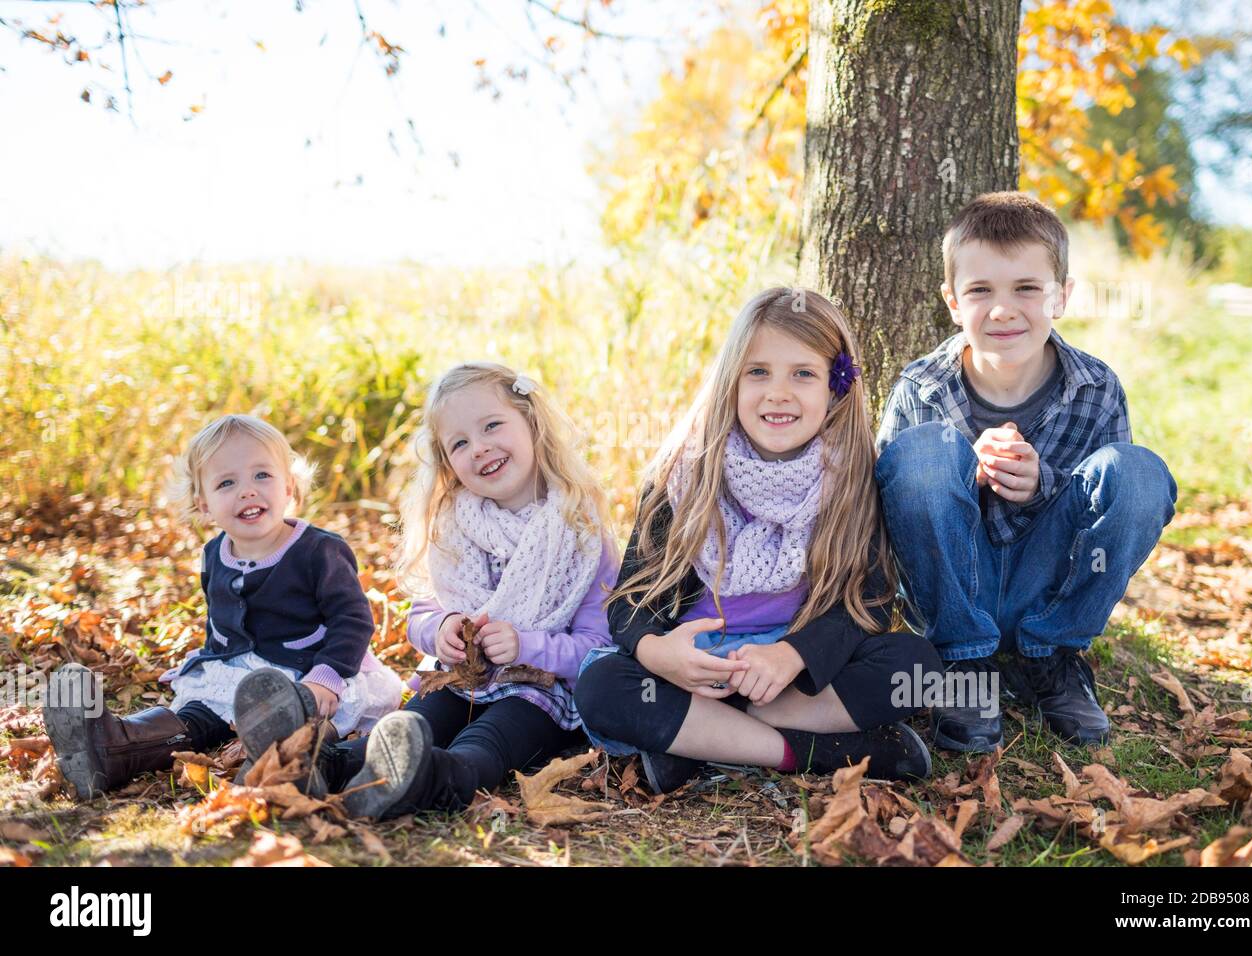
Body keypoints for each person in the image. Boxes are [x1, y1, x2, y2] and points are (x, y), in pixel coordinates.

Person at [575, 287, 943, 795]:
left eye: (803, 374)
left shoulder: (852, 480)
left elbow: (872, 601)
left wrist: (792, 655)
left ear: (836, 388)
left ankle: (703, 744)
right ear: (731, 381)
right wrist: (659, 653)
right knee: (602, 687)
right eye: (759, 372)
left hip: (790, 673)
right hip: (693, 667)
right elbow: (629, 601)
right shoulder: (683, 476)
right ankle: (815, 752)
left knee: (916, 668)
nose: (778, 393)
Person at [238, 363, 618, 820]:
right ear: (445, 461)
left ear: (533, 423)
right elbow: (420, 613)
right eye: (459, 443)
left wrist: (526, 645)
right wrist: (440, 629)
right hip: (459, 678)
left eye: (492, 425)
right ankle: (312, 764)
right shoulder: (454, 526)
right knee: (414, 724)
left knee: (489, 739)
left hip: (538, 692)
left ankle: (432, 778)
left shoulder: (580, 533)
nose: (479, 448)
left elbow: (598, 649)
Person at [875, 191, 1177, 752]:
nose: (1002, 309)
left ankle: (1052, 656)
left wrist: (1045, 486)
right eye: (980, 290)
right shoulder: (922, 388)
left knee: (1137, 473)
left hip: (1049, 581)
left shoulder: (1096, 387)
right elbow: (886, 512)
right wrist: (963, 472)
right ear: (952, 301)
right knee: (922, 453)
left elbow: (1108, 509)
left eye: (1027, 289)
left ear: (1061, 296)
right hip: (954, 587)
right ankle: (964, 664)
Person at [44, 414, 403, 799]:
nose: (247, 491)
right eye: (227, 482)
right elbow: (222, 621)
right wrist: (206, 662)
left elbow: (352, 620)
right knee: (199, 715)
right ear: (204, 504)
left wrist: (326, 675)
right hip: (238, 669)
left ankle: (302, 755)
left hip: (311, 671)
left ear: (289, 486)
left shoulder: (319, 550)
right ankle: (115, 747)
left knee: (302, 711)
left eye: (262, 475)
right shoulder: (215, 552)